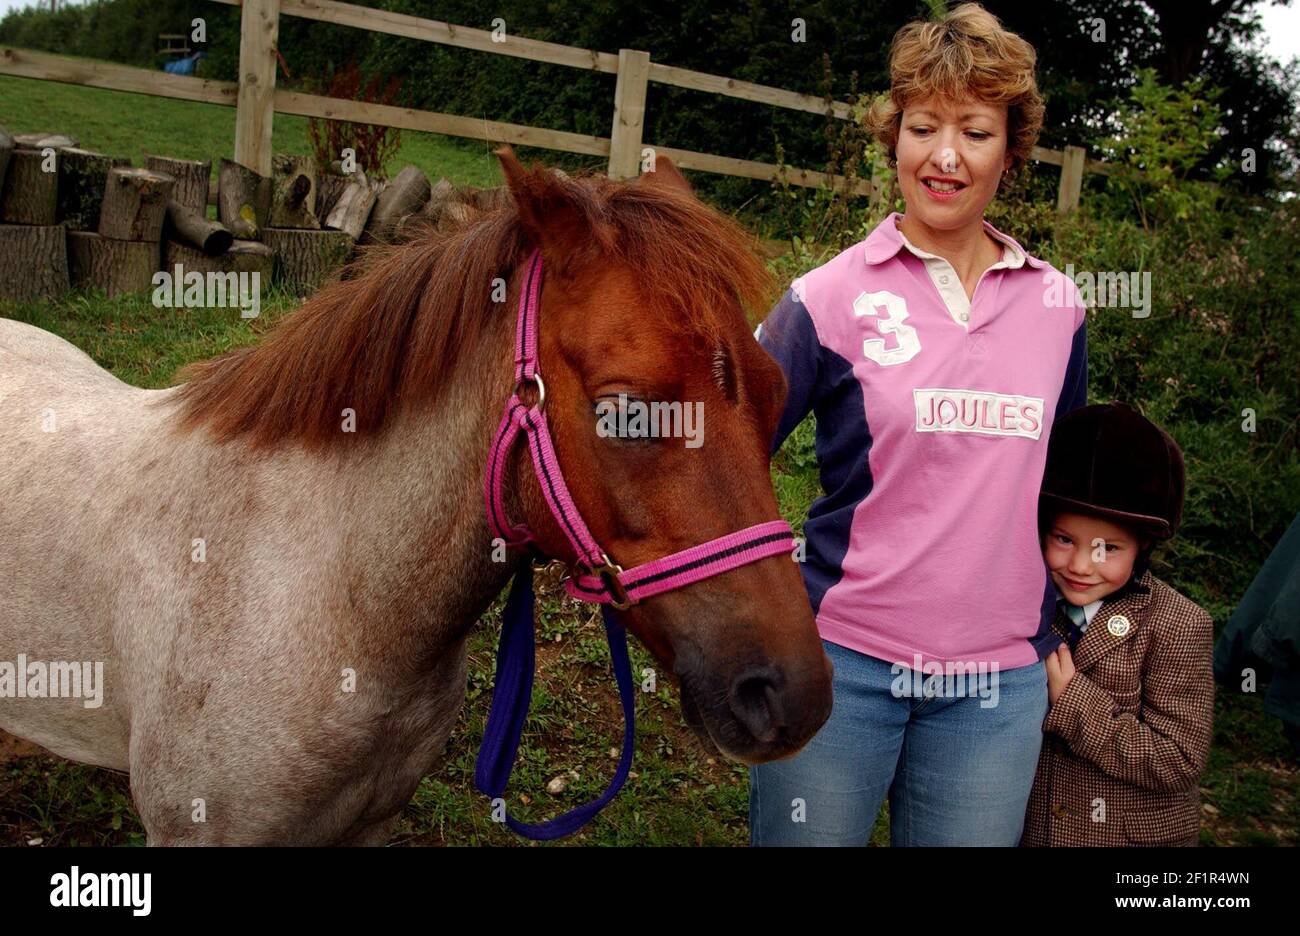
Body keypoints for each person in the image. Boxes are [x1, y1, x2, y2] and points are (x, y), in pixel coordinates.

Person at [750, 3, 1087, 846]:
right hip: (839, 669)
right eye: (923, 126)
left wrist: (1057, 619)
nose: (944, 155)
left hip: (996, 691)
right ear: (893, 139)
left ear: (1011, 152)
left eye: (974, 131)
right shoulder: (825, 298)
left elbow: (1067, 482)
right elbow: (723, 451)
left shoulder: (1057, 305)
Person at [1021, 402, 1214, 846]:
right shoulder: (1030, 605)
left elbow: (1178, 760)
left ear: (1144, 544)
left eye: (1108, 547)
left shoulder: (1179, 625)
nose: (1082, 565)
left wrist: (1074, 703)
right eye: (1064, 539)